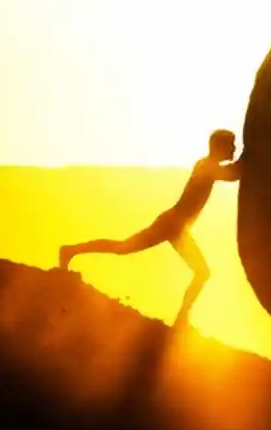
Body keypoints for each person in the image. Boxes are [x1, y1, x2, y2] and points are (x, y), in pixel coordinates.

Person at [58, 128, 241, 325]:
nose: (234, 148)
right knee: (124, 248)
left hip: (176, 226)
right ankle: (70, 250)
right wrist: (252, 153)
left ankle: (182, 317)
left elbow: (232, 173)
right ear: (220, 146)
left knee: (198, 271)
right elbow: (234, 175)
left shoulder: (205, 164)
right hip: (172, 226)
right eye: (232, 145)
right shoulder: (208, 167)